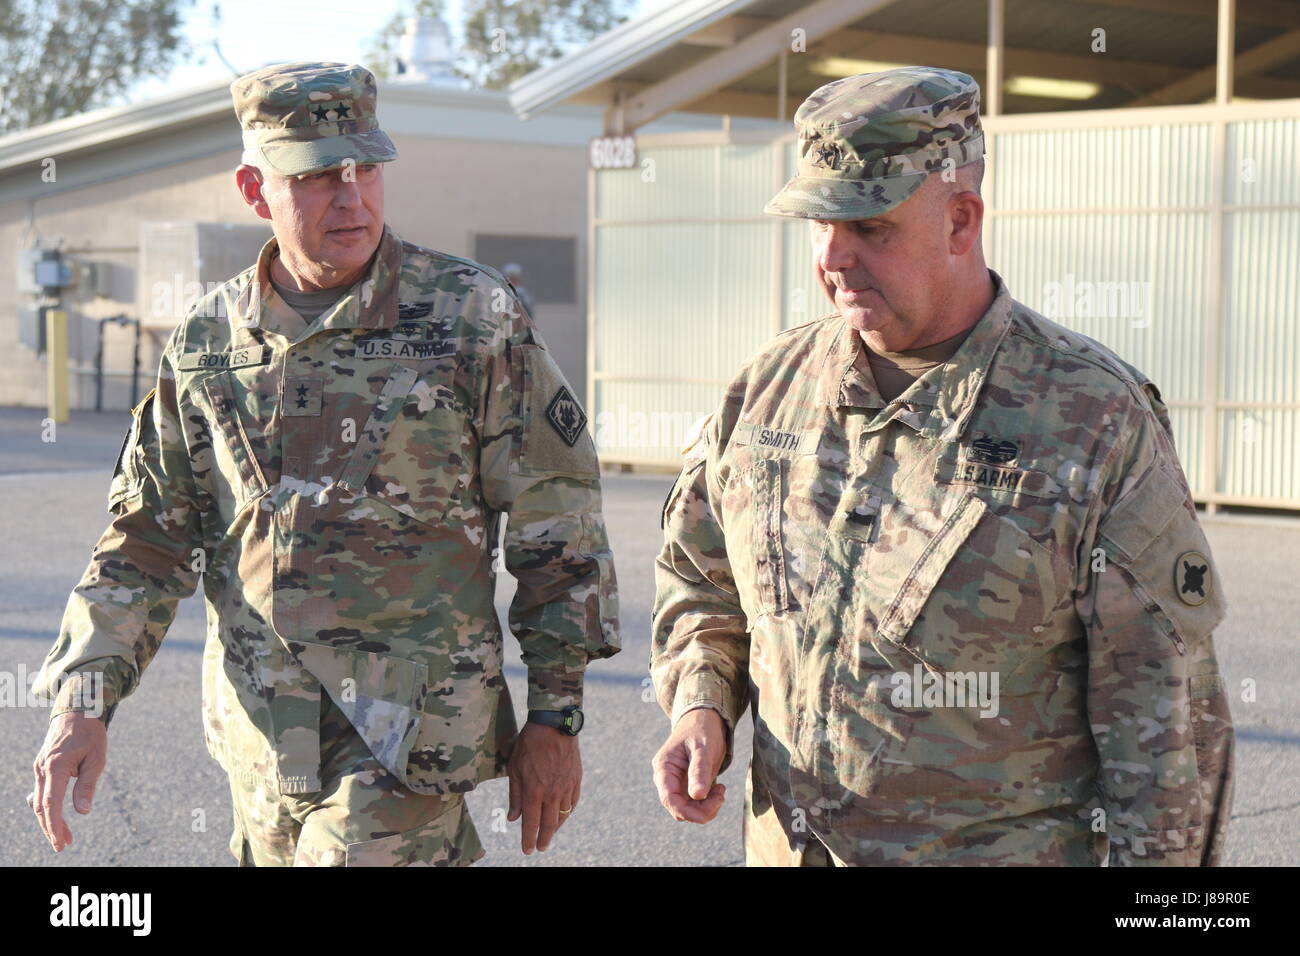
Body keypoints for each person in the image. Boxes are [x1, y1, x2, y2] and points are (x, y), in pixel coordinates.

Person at [29, 61, 619, 866]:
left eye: (366, 167)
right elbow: (147, 539)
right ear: (252, 187)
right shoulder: (209, 343)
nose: (352, 196)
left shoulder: (468, 315)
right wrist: (84, 699)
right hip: (264, 741)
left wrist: (558, 717)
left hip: (410, 740)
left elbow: (560, 521)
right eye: (316, 176)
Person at [650, 66, 1233, 866]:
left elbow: (1169, 735)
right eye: (820, 226)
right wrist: (702, 706)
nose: (835, 258)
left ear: (961, 222)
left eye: (871, 228)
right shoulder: (764, 394)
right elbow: (702, 581)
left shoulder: (1094, 418)